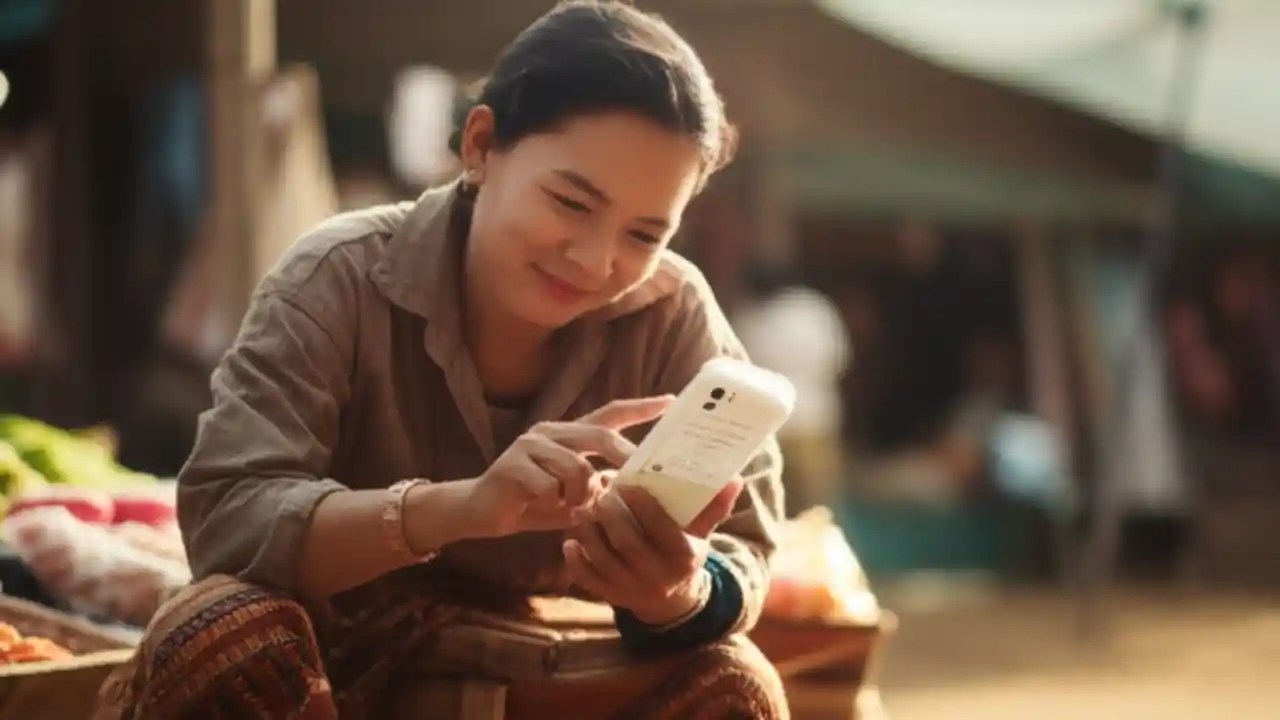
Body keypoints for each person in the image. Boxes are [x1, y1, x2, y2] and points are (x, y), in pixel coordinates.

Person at [96, 2, 786, 719]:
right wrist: (456, 509)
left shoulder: (673, 315)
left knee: (733, 686)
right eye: (570, 202)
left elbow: (744, 552)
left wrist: (676, 595)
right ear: (481, 146)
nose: (594, 260)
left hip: (537, 662)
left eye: (645, 235)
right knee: (227, 638)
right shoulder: (337, 275)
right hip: (329, 658)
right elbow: (226, 521)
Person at [734, 266, 850, 517]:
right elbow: (839, 361)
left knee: (777, 513)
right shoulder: (816, 309)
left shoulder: (753, 317)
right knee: (816, 513)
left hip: (774, 428)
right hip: (814, 423)